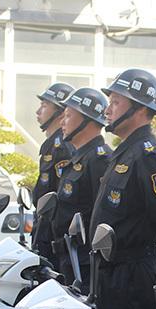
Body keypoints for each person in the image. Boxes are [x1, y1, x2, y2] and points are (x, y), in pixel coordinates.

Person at [89, 69, 156, 309]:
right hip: (112, 273)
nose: (107, 110)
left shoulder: (149, 156)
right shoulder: (125, 152)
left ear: (140, 109)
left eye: (116, 102)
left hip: (133, 278)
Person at [50, 87, 112, 289]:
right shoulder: (79, 158)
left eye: (68, 116)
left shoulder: (100, 160)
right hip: (70, 258)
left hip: (84, 264)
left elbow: (101, 215)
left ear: (87, 120)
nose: (62, 122)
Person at [31, 82, 74, 267]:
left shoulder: (62, 147)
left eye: (44, 105)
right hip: (44, 229)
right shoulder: (52, 145)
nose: (38, 111)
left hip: (53, 234)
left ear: (60, 112)